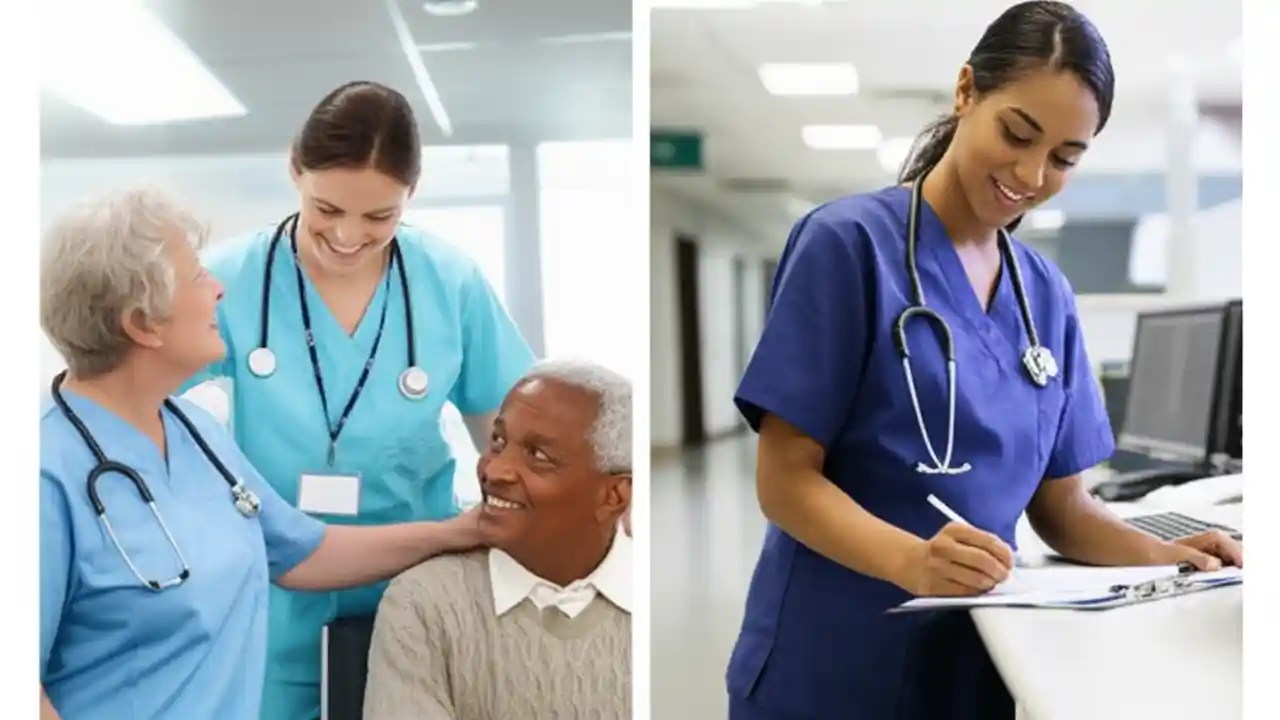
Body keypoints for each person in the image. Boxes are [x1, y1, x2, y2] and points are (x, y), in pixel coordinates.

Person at [724, 3, 1244, 719]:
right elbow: (784, 482)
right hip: (835, 662)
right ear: (966, 91)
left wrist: (1165, 555)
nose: (1031, 175)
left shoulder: (1045, 296)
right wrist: (914, 562)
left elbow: (1063, 508)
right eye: (1017, 134)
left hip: (976, 659)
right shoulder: (846, 246)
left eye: (1064, 158)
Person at [38, 188, 485, 719]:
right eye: (197, 277)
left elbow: (301, 552)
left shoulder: (196, 431)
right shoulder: (44, 475)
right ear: (142, 323)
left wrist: (460, 532)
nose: (219, 290)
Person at [180, 81, 535, 719]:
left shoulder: (448, 281)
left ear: (411, 197)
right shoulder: (230, 277)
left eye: (380, 217)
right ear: (295, 170)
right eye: (327, 209)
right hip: (277, 586)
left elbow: (509, 428)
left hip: (417, 580)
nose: (347, 236)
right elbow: (129, 402)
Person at [363, 359, 632, 720]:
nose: (494, 470)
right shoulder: (424, 603)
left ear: (613, 496)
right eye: (497, 441)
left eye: (538, 455)